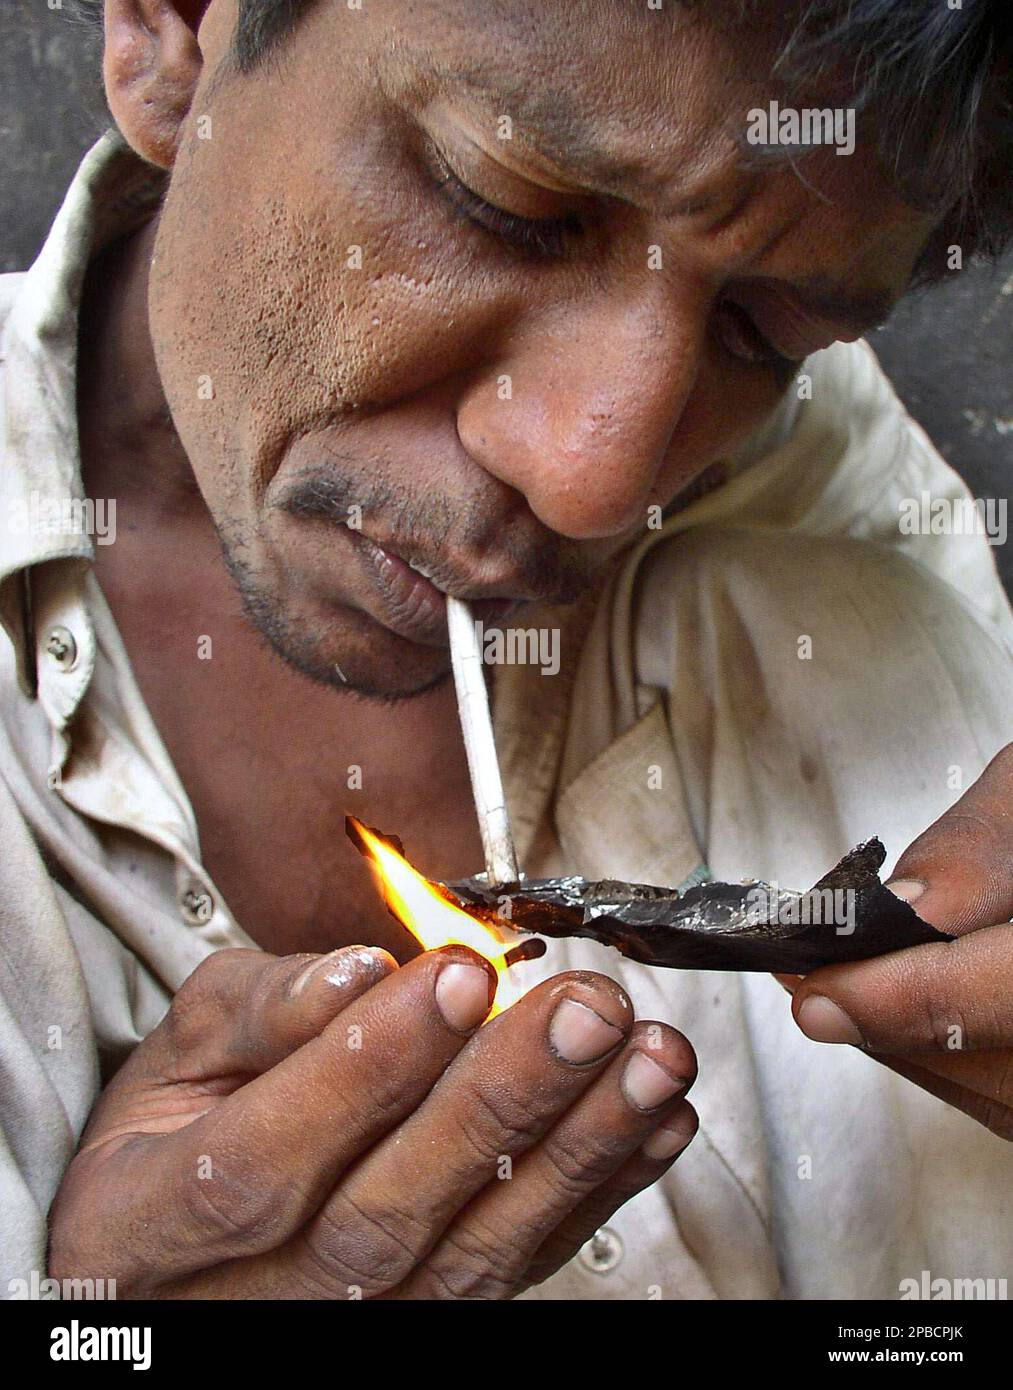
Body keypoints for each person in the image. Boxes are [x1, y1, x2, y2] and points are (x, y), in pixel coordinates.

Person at [1, 0, 1010, 1301]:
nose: (593, 475)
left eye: (761, 336)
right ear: (177, 35)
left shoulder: (809, 514)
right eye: (508, 203)